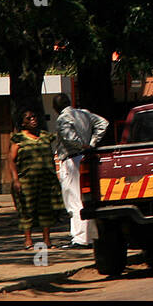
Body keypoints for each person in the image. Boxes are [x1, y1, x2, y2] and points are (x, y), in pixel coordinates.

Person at [6, 107, 66, 253]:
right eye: (29, 118)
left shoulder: (45, 136)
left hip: (46, 180)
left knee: (46, 210)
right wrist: (15, 179)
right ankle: (28, 240)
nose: (33, 120)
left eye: (34, 117)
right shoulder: (18, 138)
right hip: (27, 181)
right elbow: (11, 160)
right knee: (27, 210)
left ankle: (47, 240)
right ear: (22, 123)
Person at [53, 94, 109, 247]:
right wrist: (92, 143)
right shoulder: (83, 113)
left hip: (72, 160)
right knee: (86, 198)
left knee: (74, 200)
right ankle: (90, 236)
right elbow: (103, 123)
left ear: (55, 108)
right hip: (86, 157)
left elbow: (69, 138)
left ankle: (80, 238)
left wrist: (82, 144)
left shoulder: (63, 118)